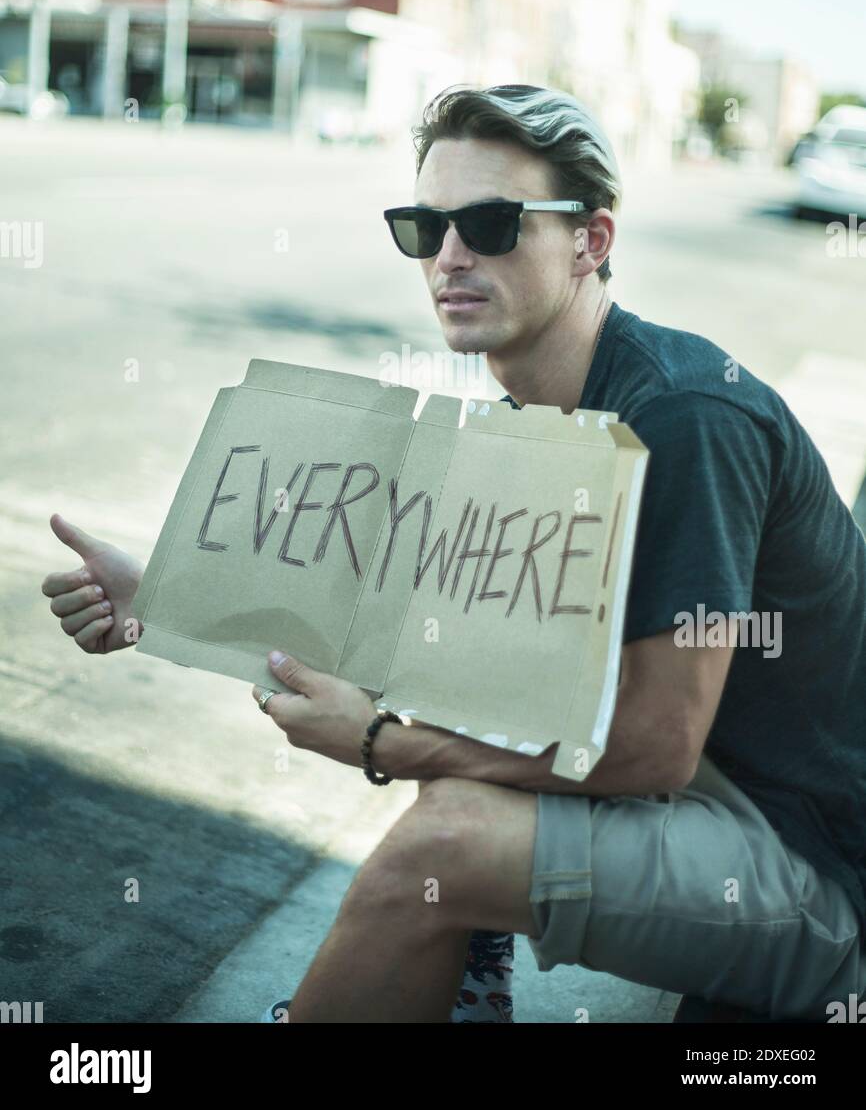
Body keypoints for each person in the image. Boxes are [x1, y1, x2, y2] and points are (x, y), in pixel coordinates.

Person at [42, 83, 866, 1024]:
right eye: (423, 228)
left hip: (820, 874)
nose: (450, 256)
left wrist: (376, 742)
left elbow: (658, 746)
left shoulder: (682, 417)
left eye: (490, 221)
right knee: (471, 696)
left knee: (438, 844)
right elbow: (383, 618)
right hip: (727, 817)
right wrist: (161, 598)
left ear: (591, 241)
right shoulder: (535, 426)